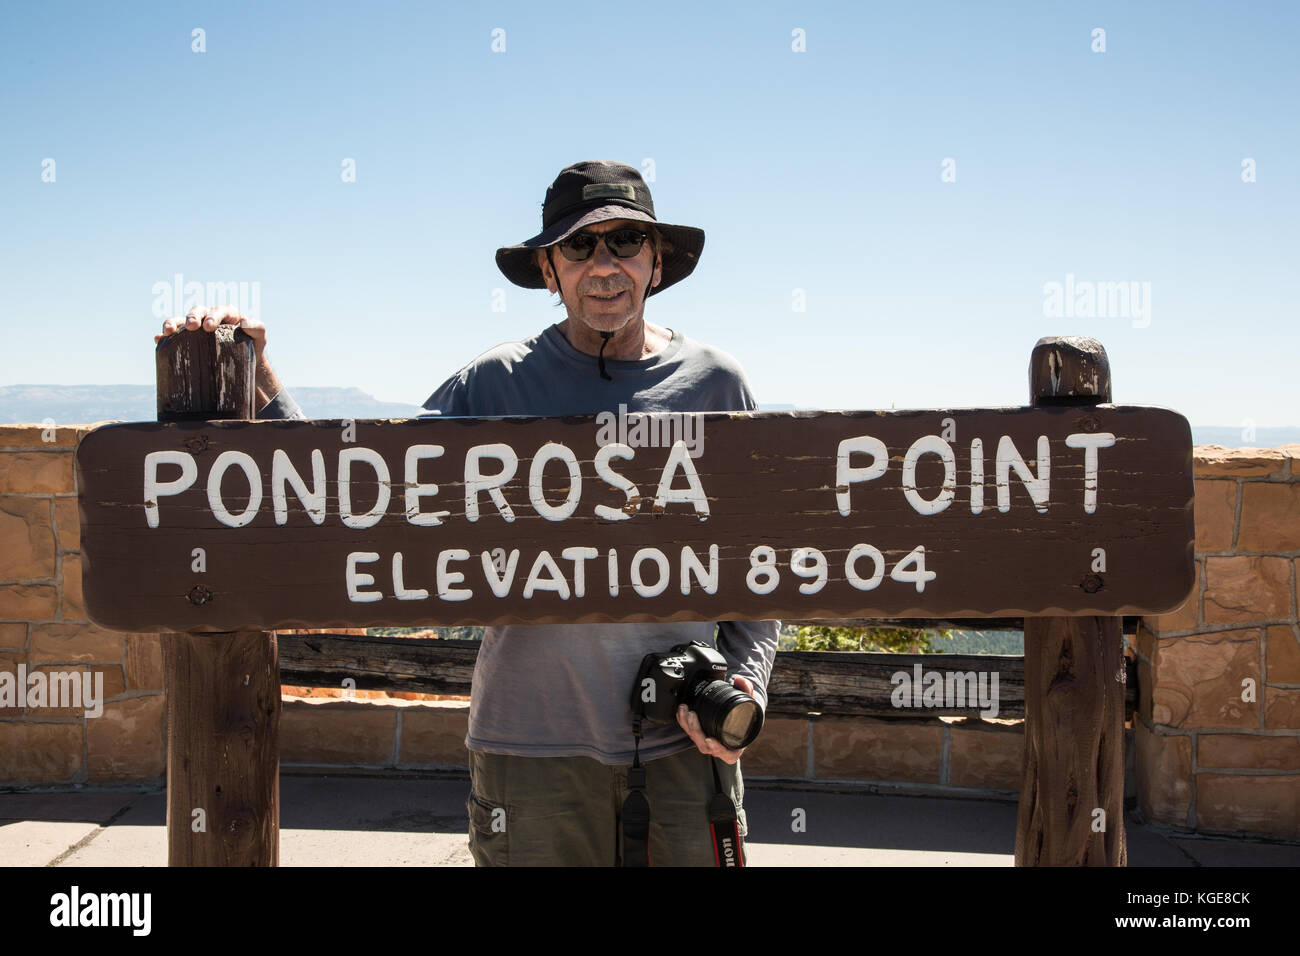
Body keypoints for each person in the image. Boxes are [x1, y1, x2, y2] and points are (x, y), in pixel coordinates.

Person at [155, 160, 780, 867]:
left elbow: (761, 562)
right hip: (527, 748)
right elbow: (366, 494)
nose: (603, 265)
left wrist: (742, 685)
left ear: (656, 261)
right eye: (578, 246)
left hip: (683, 749)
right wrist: (264, 384)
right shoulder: (492, 382)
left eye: (626, 241)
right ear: (548, 271)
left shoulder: (717, 384)